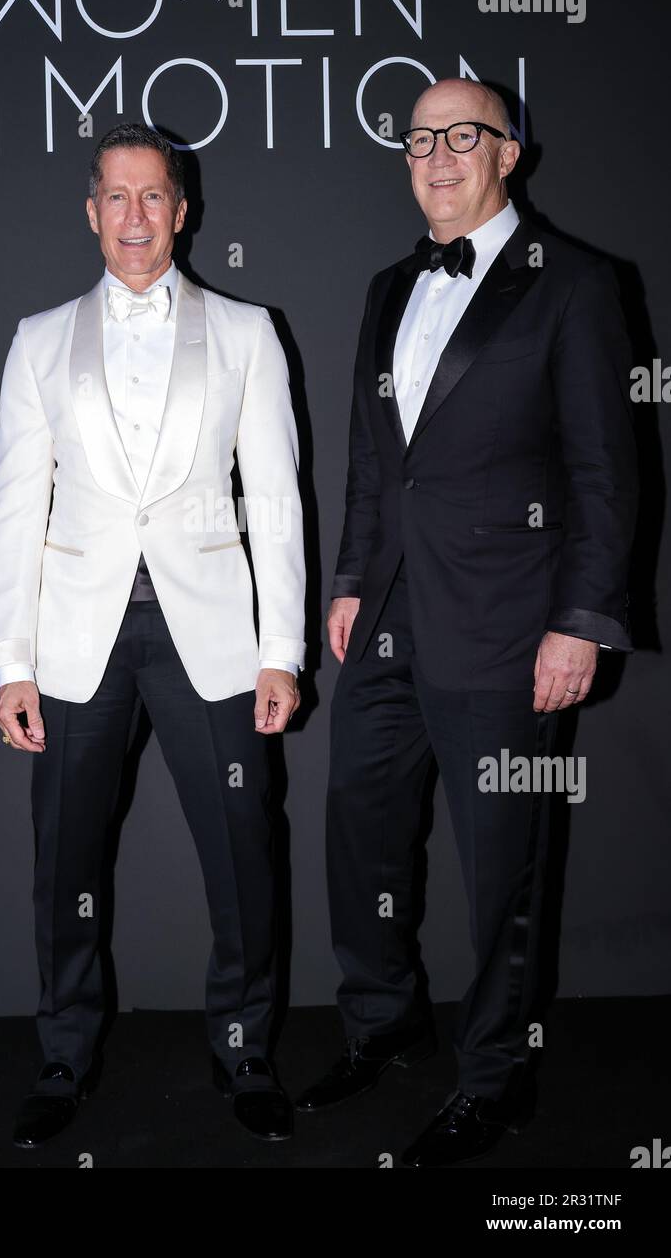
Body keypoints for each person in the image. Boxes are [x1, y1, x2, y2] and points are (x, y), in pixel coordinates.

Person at [297, 78, 638, 1167]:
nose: (436, 154)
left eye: (463, 135)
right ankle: (382, 1019)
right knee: (362, 833)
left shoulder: (577, 284)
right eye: (417, 139)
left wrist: (582, 619)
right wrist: (351, 580)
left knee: (505, 870)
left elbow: (607, 471)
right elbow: (370, 459)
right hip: (390, 617)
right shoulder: (388, 285)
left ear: (511, 153)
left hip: (510, 627)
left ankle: (495, 1077)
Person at [0, 123, 305, 1146]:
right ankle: (66, 1053)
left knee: (243, 852)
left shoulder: (250, 331)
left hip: (209, 631)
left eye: (153, 196)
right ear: (91, 211)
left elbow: (282, 503)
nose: (134, 217)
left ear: (183, 208)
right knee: (65, 862)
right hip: (78, 636)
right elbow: (10, 509)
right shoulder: (37, 339)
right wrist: (9, 663)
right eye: (115, 197)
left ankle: (246, 1051)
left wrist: (281, 649)